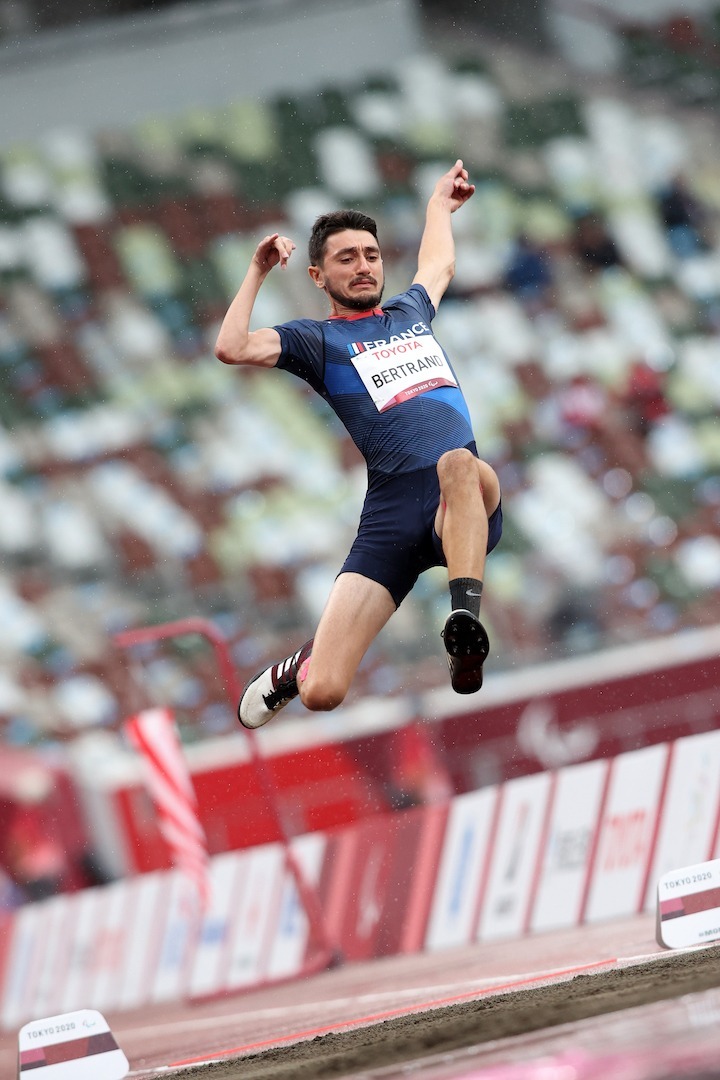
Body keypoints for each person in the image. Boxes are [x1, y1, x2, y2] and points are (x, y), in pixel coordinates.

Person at [215, 159, 502, 729]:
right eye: (346, 258)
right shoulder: (316, 340)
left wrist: (438, 206)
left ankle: (464, 626)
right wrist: (257, 270)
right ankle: (298, 667)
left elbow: (439, 263)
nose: (364, 266)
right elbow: (232, 347)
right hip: (391, 514)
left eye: (371, 255)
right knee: (323, 692)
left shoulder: (410, 311)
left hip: (460, 503)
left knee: (459, 463)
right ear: (318, 276)